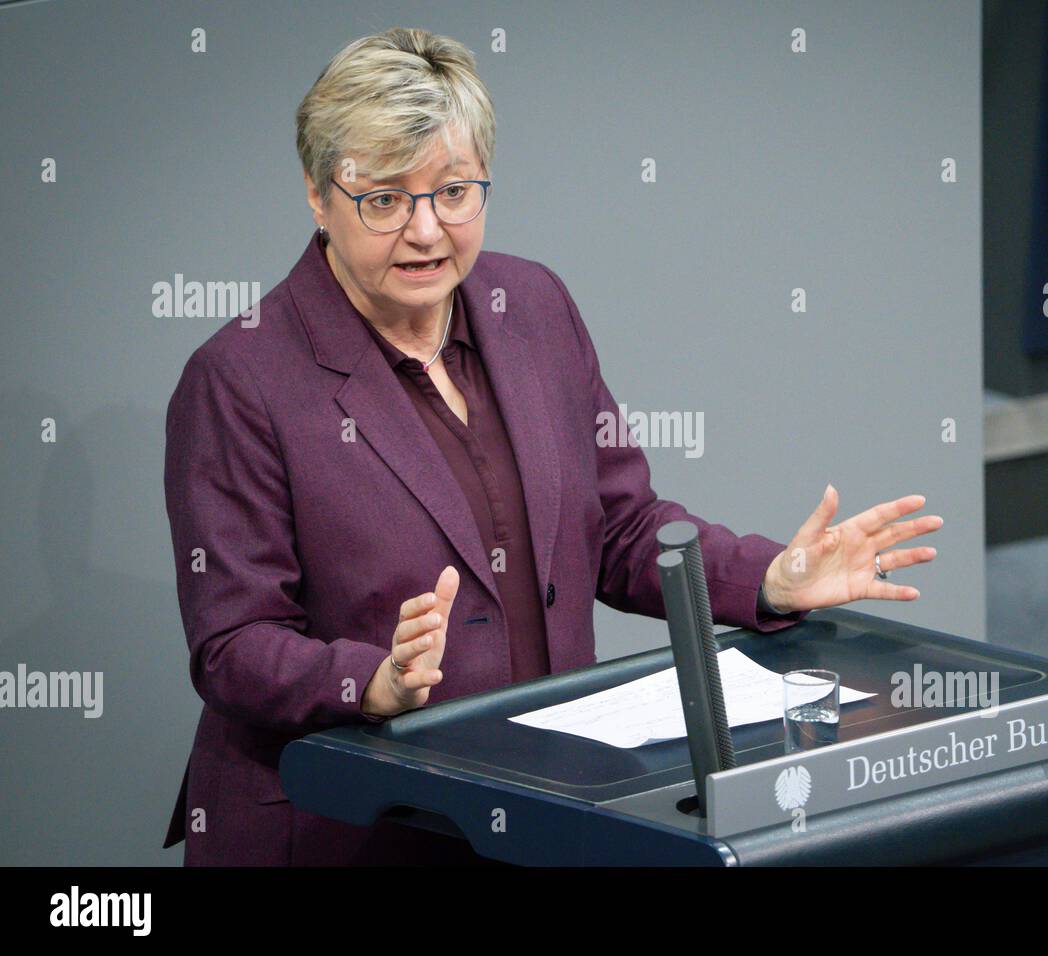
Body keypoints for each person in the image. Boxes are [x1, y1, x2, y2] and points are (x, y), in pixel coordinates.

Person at [161, 27, 943, 866]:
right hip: (353, 825)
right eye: (384, 200)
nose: (426, 232)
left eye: (454, 192)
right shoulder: (240, 379)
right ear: (319, 197)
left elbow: (619, 528)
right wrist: (370, 680)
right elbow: (233, 645)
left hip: (535, 804)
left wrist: (769, 578)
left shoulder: (529, 305)